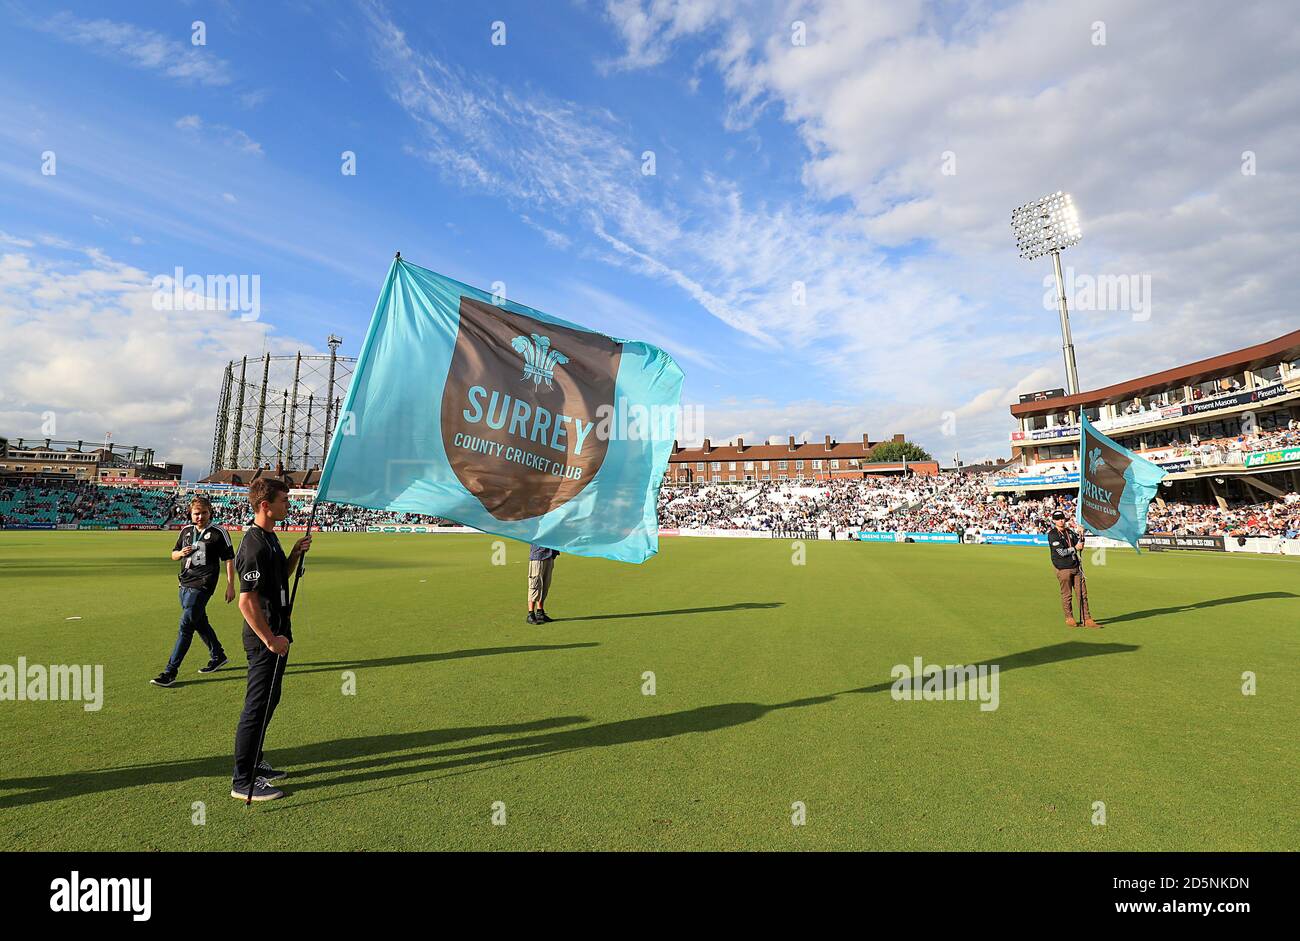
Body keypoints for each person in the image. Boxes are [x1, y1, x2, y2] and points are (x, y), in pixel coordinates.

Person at [230, 478, 312, 802]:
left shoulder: (271, 538)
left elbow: (280, 578)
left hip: (279, 632)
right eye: (283, 500)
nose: (287, 505)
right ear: (265, 505)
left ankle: (255, 762)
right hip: (265, 638)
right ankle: (242, 779)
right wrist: (269, 640)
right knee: (257, 706)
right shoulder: (253, 545)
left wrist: (293, 555)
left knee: (269, 701)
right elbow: (246, 602)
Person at [151, 495, 235, 687]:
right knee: (200, 622)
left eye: (204, 513)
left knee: (185, 626)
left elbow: (229, 559)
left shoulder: (218, 532)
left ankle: (170, 672)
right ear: (191, 513)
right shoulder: (186, 531)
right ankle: (218, 655)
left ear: (210, 512)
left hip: (204, 584)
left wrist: (230, 585)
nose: (200, 517)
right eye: (197, 513)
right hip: (184, 583)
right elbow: (173, 554)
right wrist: (181, 553)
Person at [1047, 510, 1099, 628]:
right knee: (1067, 595)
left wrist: (1081, 535)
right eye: (1058, 518)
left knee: (1082, 594)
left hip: (1076, 567)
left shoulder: (1069, 532)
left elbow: (1080, 546)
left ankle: (1087, 618)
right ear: (1054, 521)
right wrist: (1075, 548)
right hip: (1062, 568)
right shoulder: (1053, 534)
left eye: (1062, 518)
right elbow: (1061, 552)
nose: (1061, 520)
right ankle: (1069, 617)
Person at [527, 543, 559, 625]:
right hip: (538, 556)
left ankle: (540, 612)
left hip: (550, 555)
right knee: (534, 585)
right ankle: (530, 614)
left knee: (545, 585)